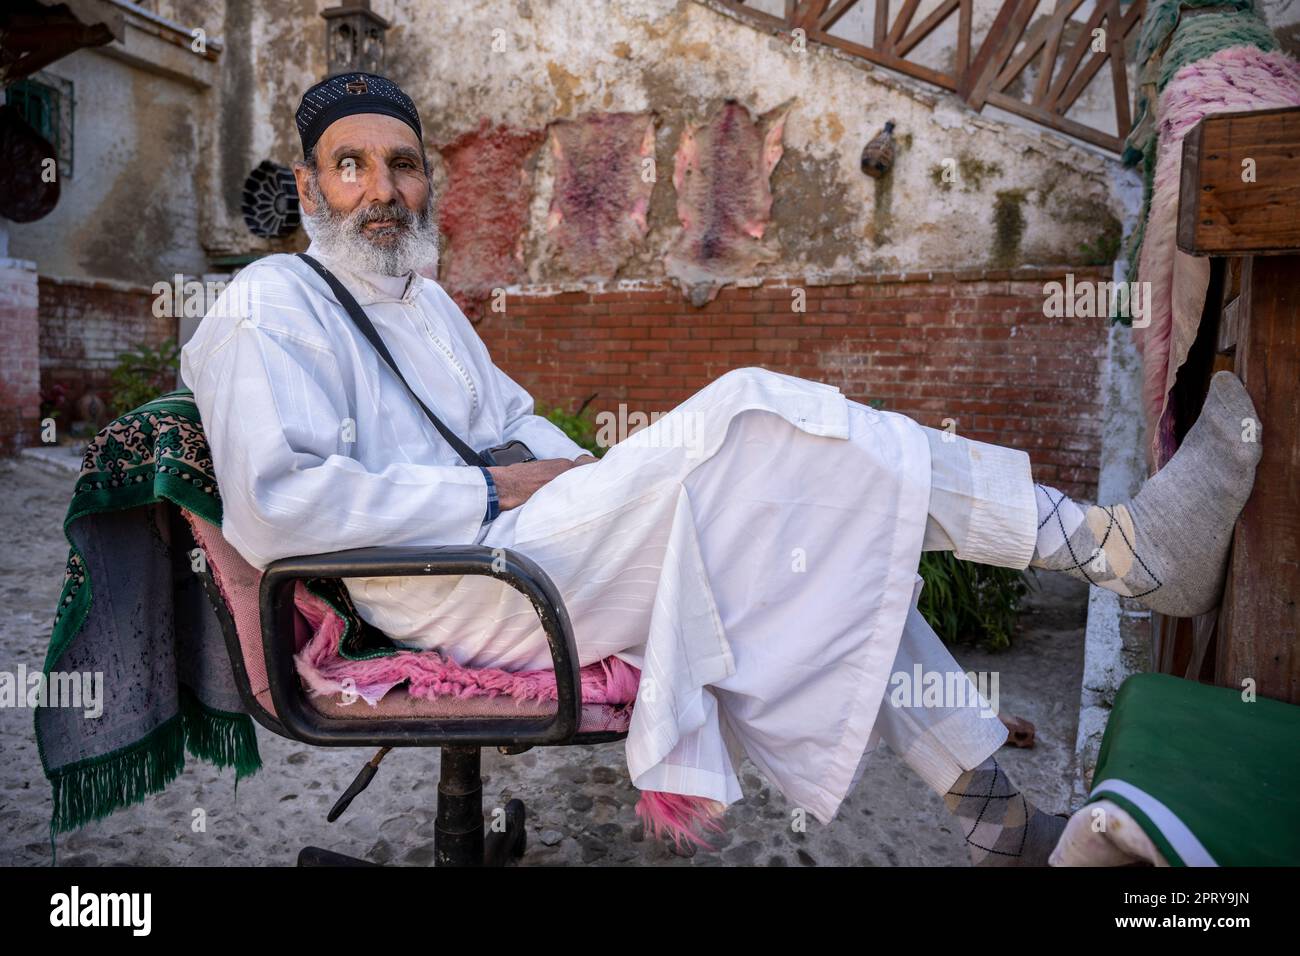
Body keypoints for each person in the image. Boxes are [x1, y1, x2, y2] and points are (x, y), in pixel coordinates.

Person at [181, 73, 1262, 866]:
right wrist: (497, 492)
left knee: (834, 510)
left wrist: (600, 482)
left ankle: (1004, 826)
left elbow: (513, 421)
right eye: (351, 164)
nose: (383, 189)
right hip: (456, 581)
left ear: (427, 182)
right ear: (311, 187)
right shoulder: (264, 311)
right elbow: (282, 510)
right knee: (753, 412)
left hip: (526, 543)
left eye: (402, 162)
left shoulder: (421, 302)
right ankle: (1114, 549)